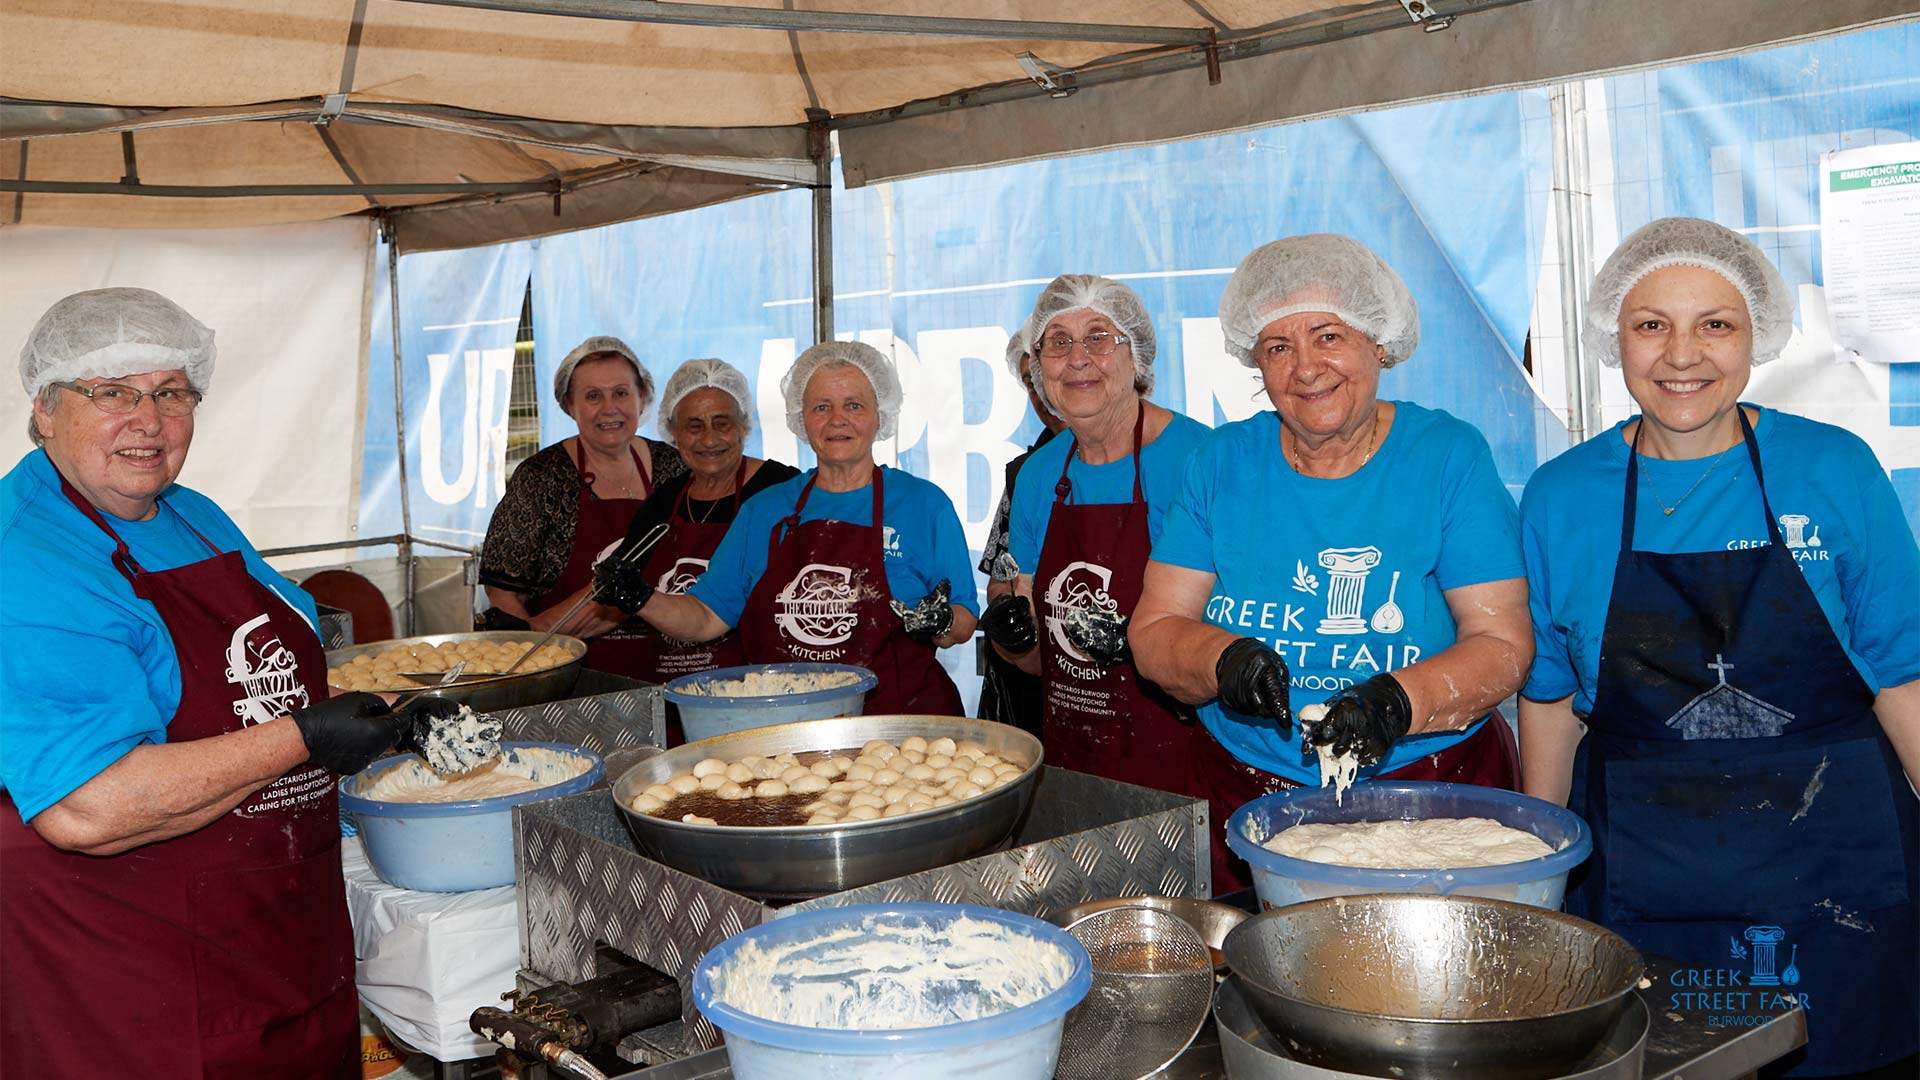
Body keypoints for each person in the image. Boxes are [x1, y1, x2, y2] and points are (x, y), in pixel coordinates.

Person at [0, 289, 445, 1076]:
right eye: (112, 393)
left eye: (172, 393)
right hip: (130, 972)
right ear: (43, 410)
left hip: (276, 927)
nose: (149, 420)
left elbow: (281, 659)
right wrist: (306, 737)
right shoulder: (27, 556)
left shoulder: (191, 512)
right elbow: (87, 806)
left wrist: (367, 719)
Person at [1518, 218, 1918, 1079]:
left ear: (1756, 337)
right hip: (1651, 873)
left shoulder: (1834, 467)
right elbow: (1550, 696)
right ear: (1612, 339)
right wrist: (1540, 882)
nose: (1681, 355)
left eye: (1716, 324)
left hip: (1833, 867)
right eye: (1651, 324)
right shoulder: (1560, 496)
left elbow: (1899, 673)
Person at [1130, 235, 1533, 889]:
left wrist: (1396, 705)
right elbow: (1155, 630)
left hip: (1426, 788)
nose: (1305, 368)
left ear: (1378, 341)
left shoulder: (1445, 457)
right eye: (1277, 348)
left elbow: (1502, 643)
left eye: (1327, 336)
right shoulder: (1221, 463)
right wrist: (1222, 660)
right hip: (1247, 788)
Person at [596, 342, 978, 714]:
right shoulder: (765, 510)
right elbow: (705, 617)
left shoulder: (923, 504)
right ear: (801, 418)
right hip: (788, 728)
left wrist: (943, 620)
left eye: (854, 405)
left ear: (881, 416)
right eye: (821, 407)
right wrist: (641, 598)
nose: (837, 419)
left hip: (902, 726)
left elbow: (963, 617)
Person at [977, 276, 1210, 790]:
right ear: (1039, 366)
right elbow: (1041, 659)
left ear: (1137, 356)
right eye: (1058, 342)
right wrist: (1014, 639)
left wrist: (1150, 648)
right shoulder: (1038, 475)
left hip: (1180, 754)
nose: (1077, 358)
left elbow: (1239, 633)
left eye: (1099, 336)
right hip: (1074, 753)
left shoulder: (1201, 460)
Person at [477, 336, 686, 674]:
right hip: (576, 672)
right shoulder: (542, 478)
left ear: (643, 397)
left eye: (621, 393)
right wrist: (534, 669)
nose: (609, 408)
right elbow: (504, 597)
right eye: (592, 396)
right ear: (568, 405)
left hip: (671, 661)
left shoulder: (673, 468)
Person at [609, 358, 798, 687]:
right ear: (674, 434)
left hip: (758, 684)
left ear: (743, 427)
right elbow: (619, 584)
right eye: (694, 426)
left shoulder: (780, 490)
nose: (709, 440)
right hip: (674, 689)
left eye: (722, 423)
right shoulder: (665, 501)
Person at [975, 334, 1065, 737]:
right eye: (1031, 380)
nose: (1042, 390)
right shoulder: (1023, 470)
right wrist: (1008, 618)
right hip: (1036, 692)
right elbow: (1001, 576)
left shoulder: (1167, 455)